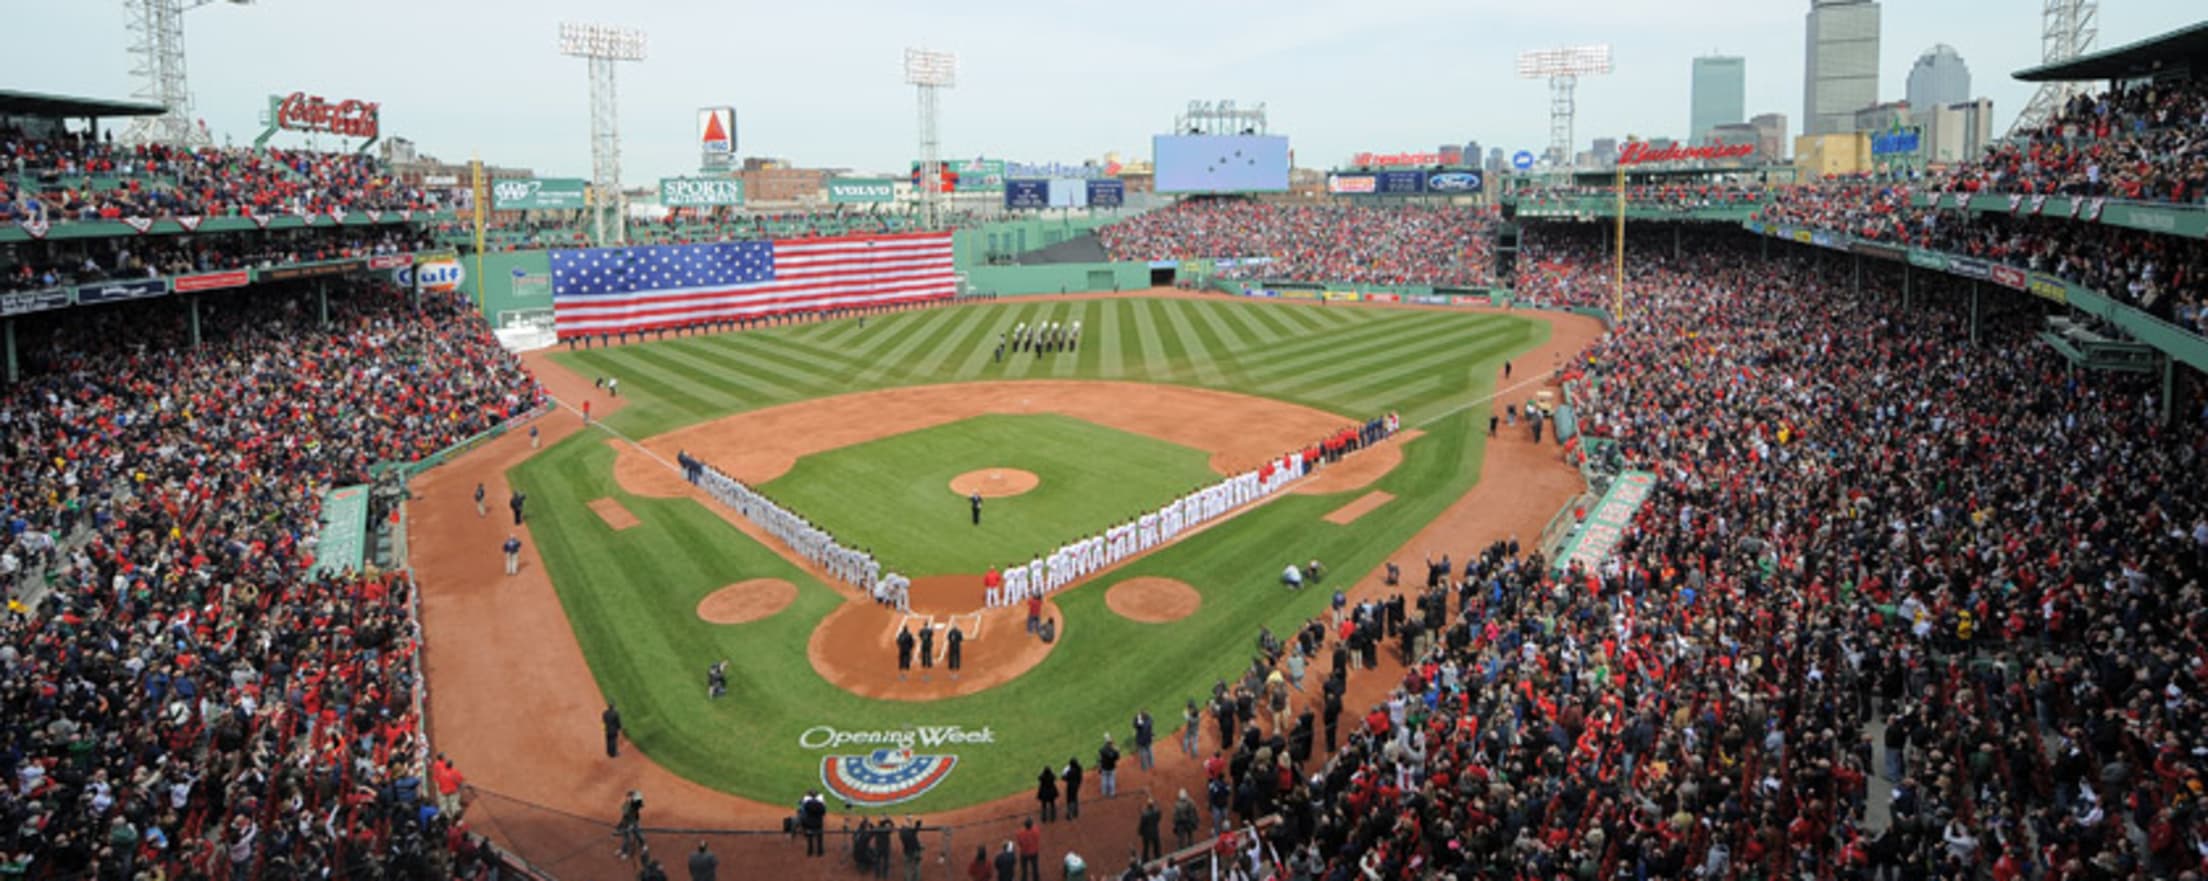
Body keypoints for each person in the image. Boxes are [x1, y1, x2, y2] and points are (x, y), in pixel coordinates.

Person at [615, 790, 645, 860]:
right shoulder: (626, 805)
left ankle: (642, 846)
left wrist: (630, 825)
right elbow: (624, 816)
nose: (628, 799)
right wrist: (620, 826)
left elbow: (633, 816)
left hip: (634, 822)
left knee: (638, 834)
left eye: (629, 797)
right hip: (627, 822)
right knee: (626, 837)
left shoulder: (635, 805)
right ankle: (623, 850)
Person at [798, 790, 827, 856]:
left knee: (810, 837)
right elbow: (823, 813)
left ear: (810, 796)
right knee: (819, 837)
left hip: (809, 824)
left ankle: (810, 852)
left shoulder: (807, 804)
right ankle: (820, 852)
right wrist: (824, 804)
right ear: (816, 796)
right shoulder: (820, 805)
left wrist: (803, 800)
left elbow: (803, 811)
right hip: (818, 823)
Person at [1137, 798, 1162, 862]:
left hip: (1147, 833)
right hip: (1155, 831)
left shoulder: (1145, 814)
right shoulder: (1157, 811)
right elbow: (1159, 817)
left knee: (1146, 847)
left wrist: (1140, 831)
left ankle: (1145, 859)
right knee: (1156, 845)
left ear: (1147, 805)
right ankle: (1157, 856)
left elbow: (1142, 824)